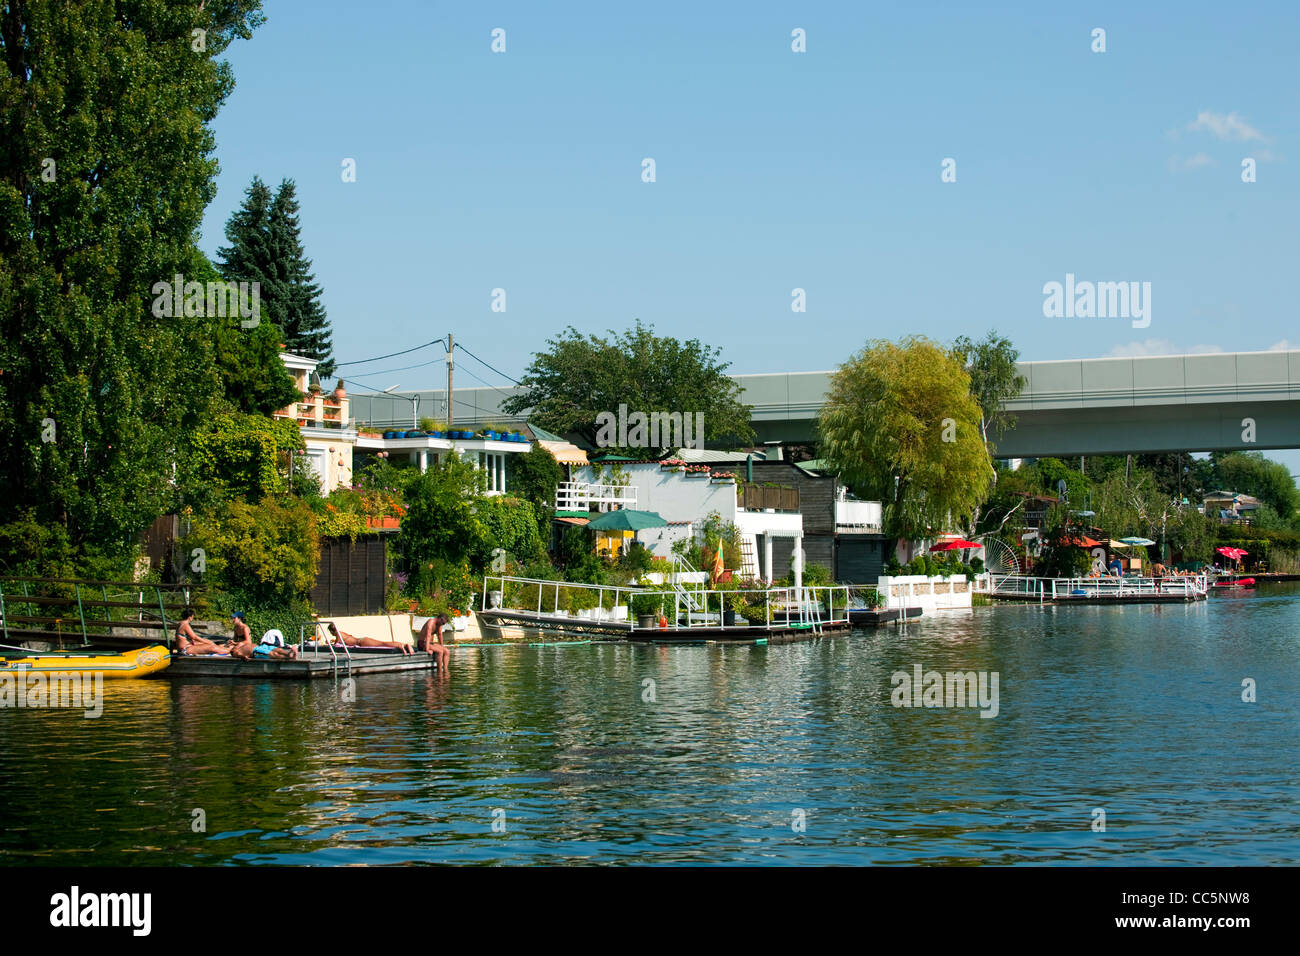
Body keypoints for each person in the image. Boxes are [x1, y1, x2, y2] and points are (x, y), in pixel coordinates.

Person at [325, 621, 414, 655]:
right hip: (362, 639)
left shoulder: (338, 635)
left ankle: (402, 645)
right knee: (383, 643)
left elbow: (336, 645)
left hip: (362, 642)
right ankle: (402, 645)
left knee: (383, 644)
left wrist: (329, 642)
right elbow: (342, 641)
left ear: (332, 631)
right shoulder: (340, 633)